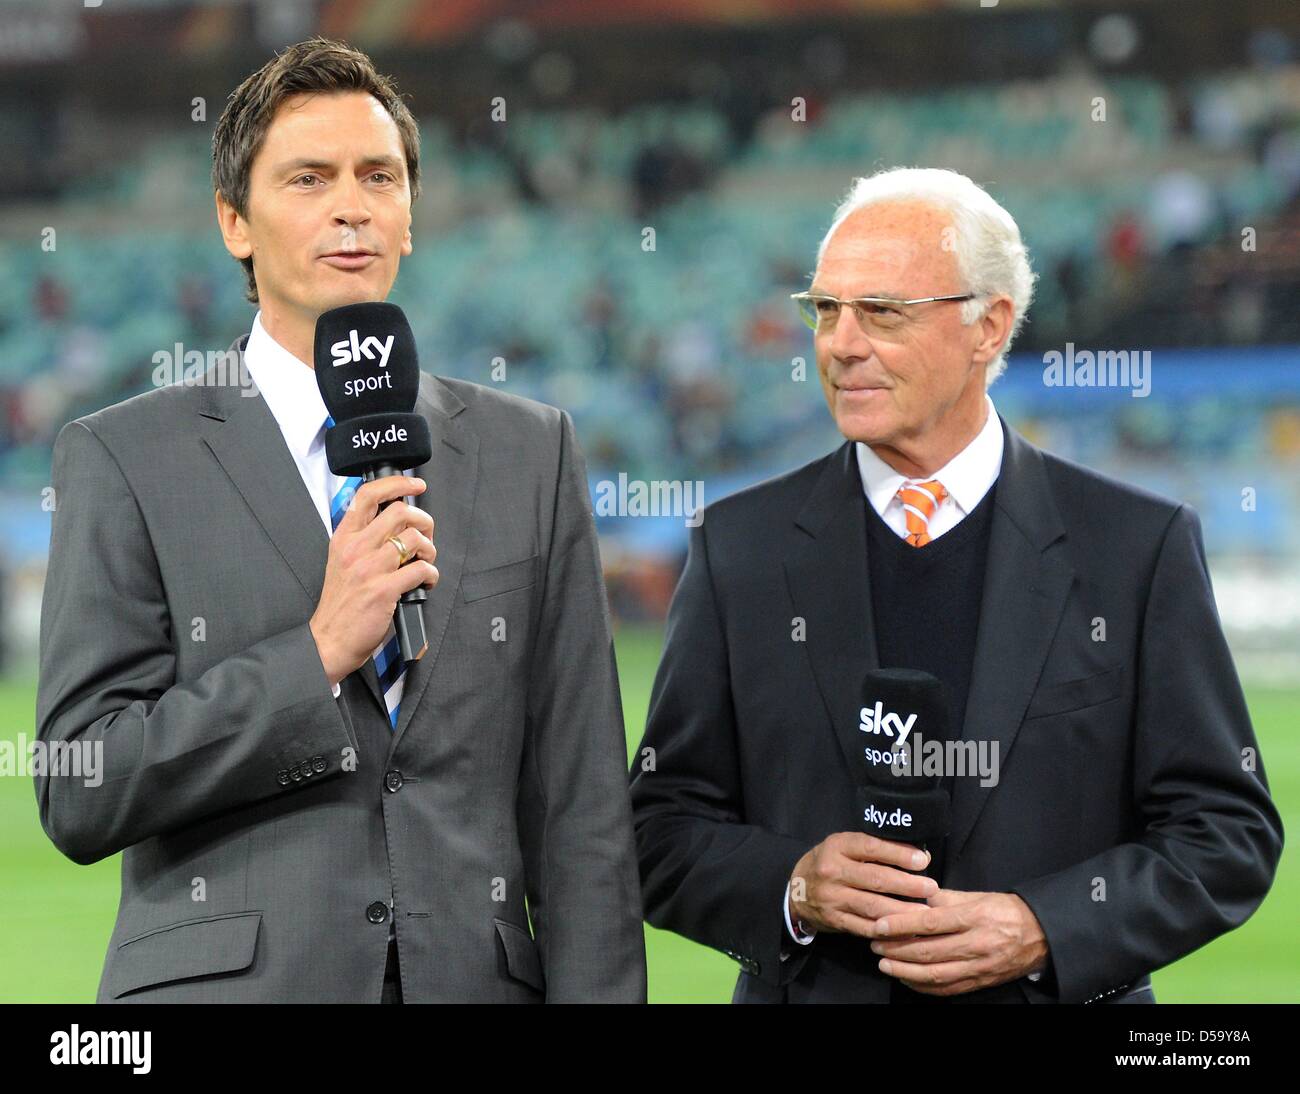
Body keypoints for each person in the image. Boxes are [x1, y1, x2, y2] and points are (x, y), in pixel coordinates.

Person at [35, 37, 645, 1004]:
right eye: (308, 178)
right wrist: (314, 656)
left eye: (379, 176)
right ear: (235, 221)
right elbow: (80, 784)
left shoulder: (533, 451)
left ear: (409, 217)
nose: (351, 205)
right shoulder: (125, 455)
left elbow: (582, 809)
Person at [628, 166, 1283, 1004]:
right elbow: (658, 827)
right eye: (825, 309)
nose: (840, 342)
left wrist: (1047, 926)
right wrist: (793, 886)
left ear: (989, 326)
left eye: (883, 312)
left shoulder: (1134, 548)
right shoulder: (739, 549)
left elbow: (1227, 832)